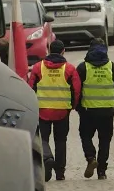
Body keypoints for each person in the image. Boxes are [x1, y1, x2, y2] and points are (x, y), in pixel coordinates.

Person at [26, 46, 80, 181]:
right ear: (63, 51)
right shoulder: (69, 69)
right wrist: (72, 106)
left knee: (42, 139)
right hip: (62, 111)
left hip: (42, 110)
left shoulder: (38, 68)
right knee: (61, 141)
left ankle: (46, 158)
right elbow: (76, 90)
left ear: (49, 49)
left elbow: (30, 87)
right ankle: (60, 173)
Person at [77, 42, 114, 179]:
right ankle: (102, 171)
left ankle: (91, 158)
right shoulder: (112, 67)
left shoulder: (83, 67)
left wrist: (78, 108)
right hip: (107, 111)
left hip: (88, 111)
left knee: (85, 135)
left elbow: (76, 89)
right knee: (105, 140)